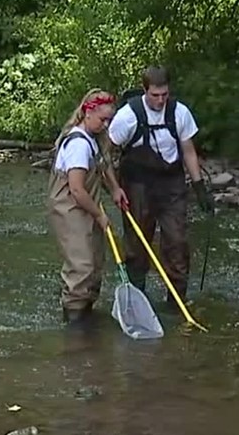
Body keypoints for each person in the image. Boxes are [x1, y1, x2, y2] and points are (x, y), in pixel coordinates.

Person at [108, 66, 214, 310]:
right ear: (145, 90)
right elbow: (106, 152)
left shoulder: (180, 113)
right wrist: (113, 186)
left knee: (177, 242)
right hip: (137, 185)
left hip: (171, 184)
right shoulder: (127, 116)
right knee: (137, 244)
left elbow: (188, 150)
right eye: (155, 95)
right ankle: (135, 300)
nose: (160, 100)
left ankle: (176, 302)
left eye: (164, 94)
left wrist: (199, 187)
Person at [47, 89, 129, 325]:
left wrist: (115, 189)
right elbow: (77, 189)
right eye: (103, 119)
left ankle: (87, 314)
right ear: (87, 113)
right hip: (70, 209)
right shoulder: (78, 144)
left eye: (109, 120)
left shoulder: (93, 139)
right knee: (81, 265)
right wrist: (99, 215)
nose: (106, 125)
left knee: (95, 262)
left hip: (86, 207)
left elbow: (103, 165)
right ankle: (74, 326)